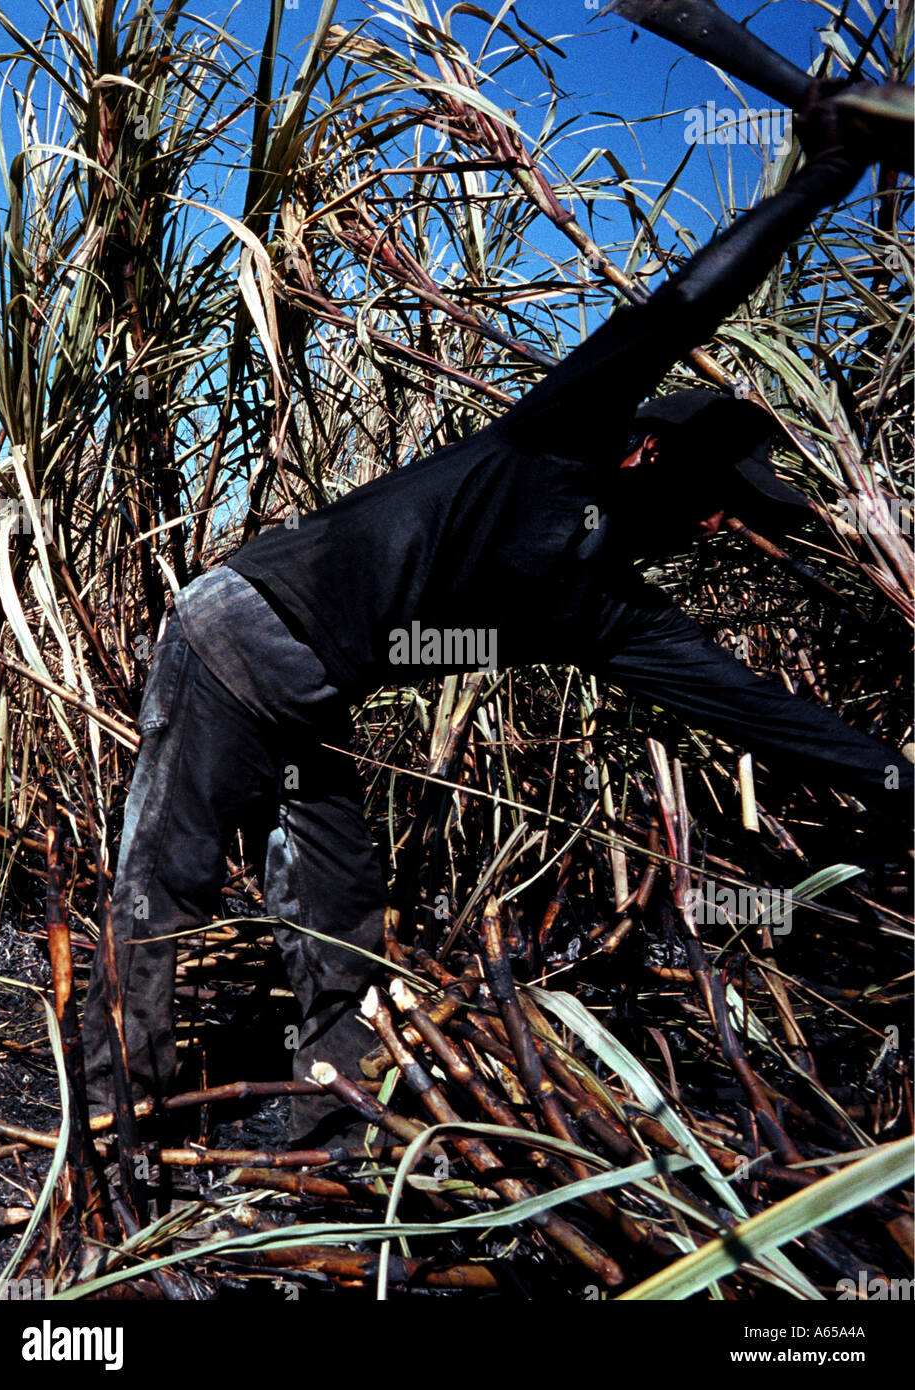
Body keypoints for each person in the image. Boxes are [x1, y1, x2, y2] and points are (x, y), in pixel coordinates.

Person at [81, 84, 913, 1148]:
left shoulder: (602, 610)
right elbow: (682, 309)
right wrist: (825, 177)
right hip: (235, 635)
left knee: (337, 893)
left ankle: (334, 1096)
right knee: (167, 879)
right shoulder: (552, 444)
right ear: (647, 449)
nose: (715, 521)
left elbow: (755, 709)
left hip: (309, 691)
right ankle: (111, 1127)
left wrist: (898, 783)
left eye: (732, 511)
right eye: (712, 491)